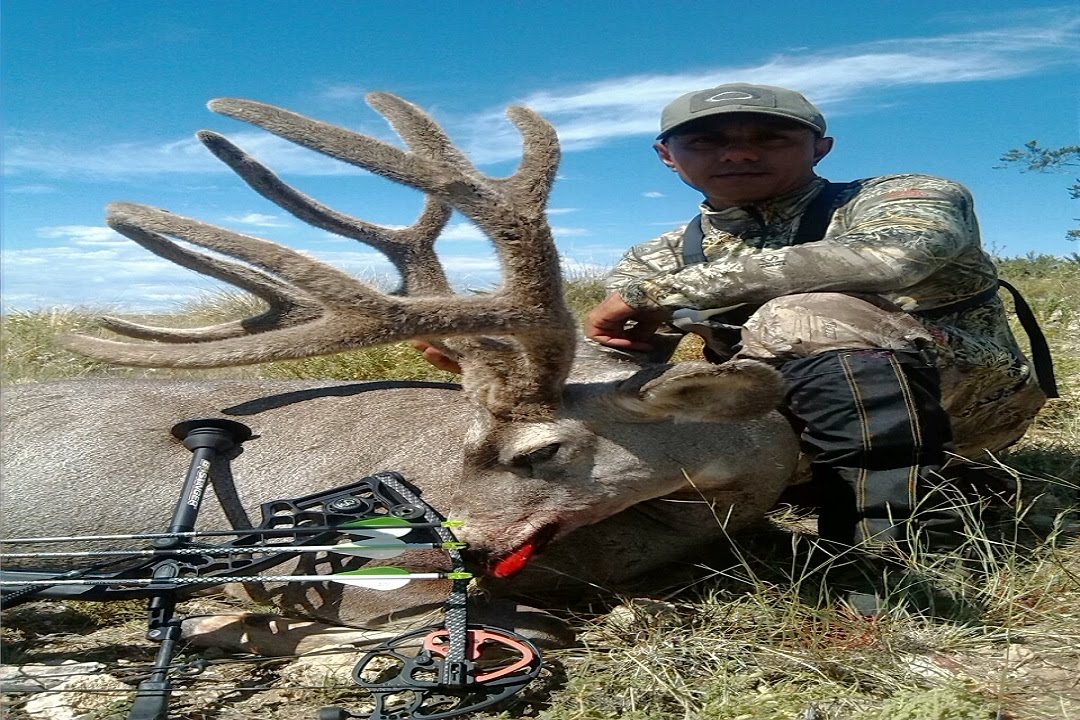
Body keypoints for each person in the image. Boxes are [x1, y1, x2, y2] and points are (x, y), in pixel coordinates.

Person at [584, 83, 1052, 560]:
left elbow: (892, 258)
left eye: (771, 137)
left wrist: (654, 295)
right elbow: (624, 362)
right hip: (779, 420)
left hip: (964, 407)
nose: (739, 153)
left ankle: (893, 544)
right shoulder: (653, 257)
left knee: (802, 317)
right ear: (667, 155)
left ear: (821, 149)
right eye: (706, 140)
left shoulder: (905, 195)